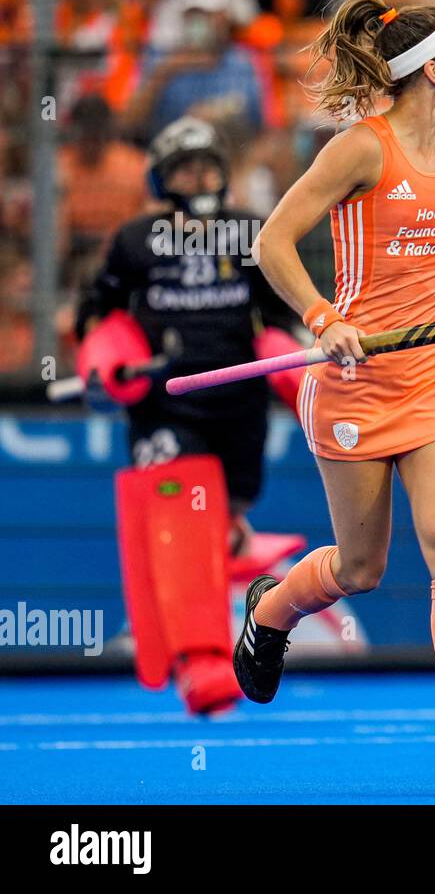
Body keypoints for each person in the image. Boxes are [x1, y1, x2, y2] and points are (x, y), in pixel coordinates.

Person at [234, 0, 435, 787]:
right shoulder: (359, 151)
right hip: (354, 382)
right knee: (361, 570)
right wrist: (321, 317)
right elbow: (273, 242)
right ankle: (272, 610)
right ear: (431, 70)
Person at [75, 115, 299, 714]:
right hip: (165, 405)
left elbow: (282, 315)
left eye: (207, 165)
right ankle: (200, 660)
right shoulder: (134, 239)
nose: (198, 176)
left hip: (239, 406)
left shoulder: (254, 233)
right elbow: (96, 312)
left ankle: (233, 557)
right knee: (182, 509)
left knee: (218, 518)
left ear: (224, 174)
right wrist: (105, 355)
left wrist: (295, 370)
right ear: (162, 178)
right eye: (184, 167)